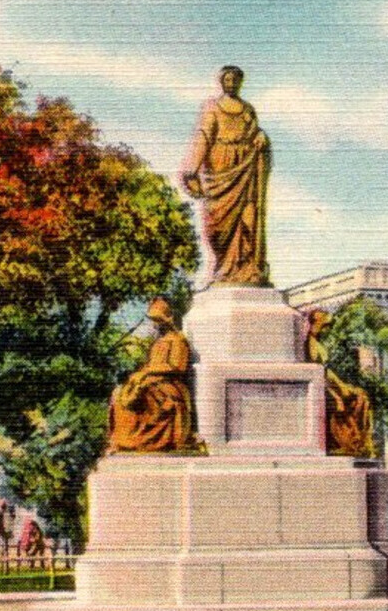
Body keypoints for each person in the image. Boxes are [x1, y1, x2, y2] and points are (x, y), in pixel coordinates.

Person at [181, 65, 272, 286]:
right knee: (216, 227)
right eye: (227, 79)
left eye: (235, 79)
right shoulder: (212, 108)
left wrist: (261, 135)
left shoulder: (248, 110)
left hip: (245, 169)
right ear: (221, 82)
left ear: (240, 82)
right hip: (219, 167)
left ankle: (246, 268)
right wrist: (192, 168)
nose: (231, 83)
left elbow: (255, 133)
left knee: (247, 218)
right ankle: (223, 268)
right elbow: (204, 137)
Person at [106, 297, 205, 454]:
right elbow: (150, 364)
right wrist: (141, 374)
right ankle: (124, 439)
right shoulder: (159, 342)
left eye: (158, 320)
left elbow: (176, 366)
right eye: (154, 320)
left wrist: (148, 372)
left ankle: (142, 440)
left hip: (169, 385)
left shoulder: (178, 340)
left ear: (166, 321)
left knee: (144, 394)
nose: (155, 324)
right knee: (120, 392)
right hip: (151, 380)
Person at [305, 309, 375, 458]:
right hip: (321, 385)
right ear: (314, 324)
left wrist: (342, 385)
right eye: (323, 325)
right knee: (341, 403)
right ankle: (342, 442)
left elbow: (327, 371)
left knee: (361, 397)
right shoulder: (310, 343)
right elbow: (318, 372)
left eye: (327, 326)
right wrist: (338, 390)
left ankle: (359, 441)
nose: (326, 329)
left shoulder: (317, 342)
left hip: (329, 381)